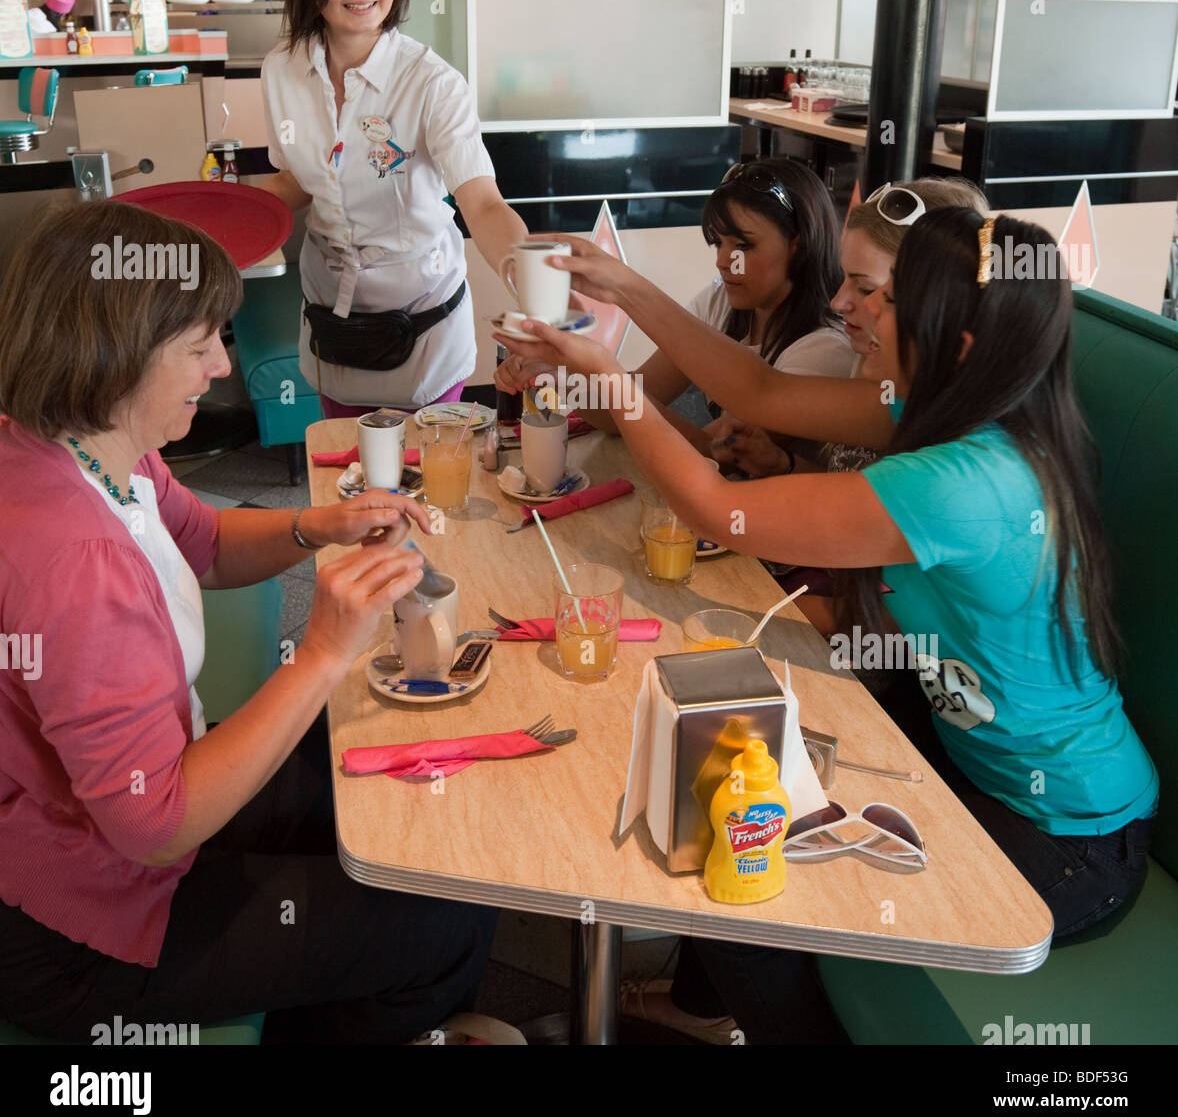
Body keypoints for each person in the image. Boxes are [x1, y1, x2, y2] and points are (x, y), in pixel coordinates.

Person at [497, 204, 1158, 1044]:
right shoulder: (961, 407)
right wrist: (624, 284)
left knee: (753, 872)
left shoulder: (963, 479)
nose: (861, 312)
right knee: (736, 785)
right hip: (976, 765)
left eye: (890, 301)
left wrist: (608, 377)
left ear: (953, 342)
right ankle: (703, 1008)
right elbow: (759, 389)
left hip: (1069, 837)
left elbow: (715, 507)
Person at [0, 200, 497, 1043]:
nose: (223, 370)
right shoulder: (74, 566)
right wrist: (322, 654)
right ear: (115, 352)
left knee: (367, 772)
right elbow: (153, 827)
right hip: (85, 929)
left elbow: (202, 542)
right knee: (445, 923)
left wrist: (318, 526)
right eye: (198, 346)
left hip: (125, 806)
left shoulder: (77, 444)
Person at [260, 0, 532, 418]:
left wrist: (532, 289)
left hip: (423, 322)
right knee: (349, 474)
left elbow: (481, 203)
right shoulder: (280, 72)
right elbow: (297, 177)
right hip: (332, 322)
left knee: (425, 479)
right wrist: (225, 219)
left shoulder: (432, 84)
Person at [498, 158, 856, 474]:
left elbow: (717, 455)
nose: (722, 260)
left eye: (743, 245)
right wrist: (561, 372)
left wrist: (601, 369)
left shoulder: (824, 347)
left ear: (799, 243)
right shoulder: (721, 302)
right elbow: (617, 417)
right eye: (719, 243)